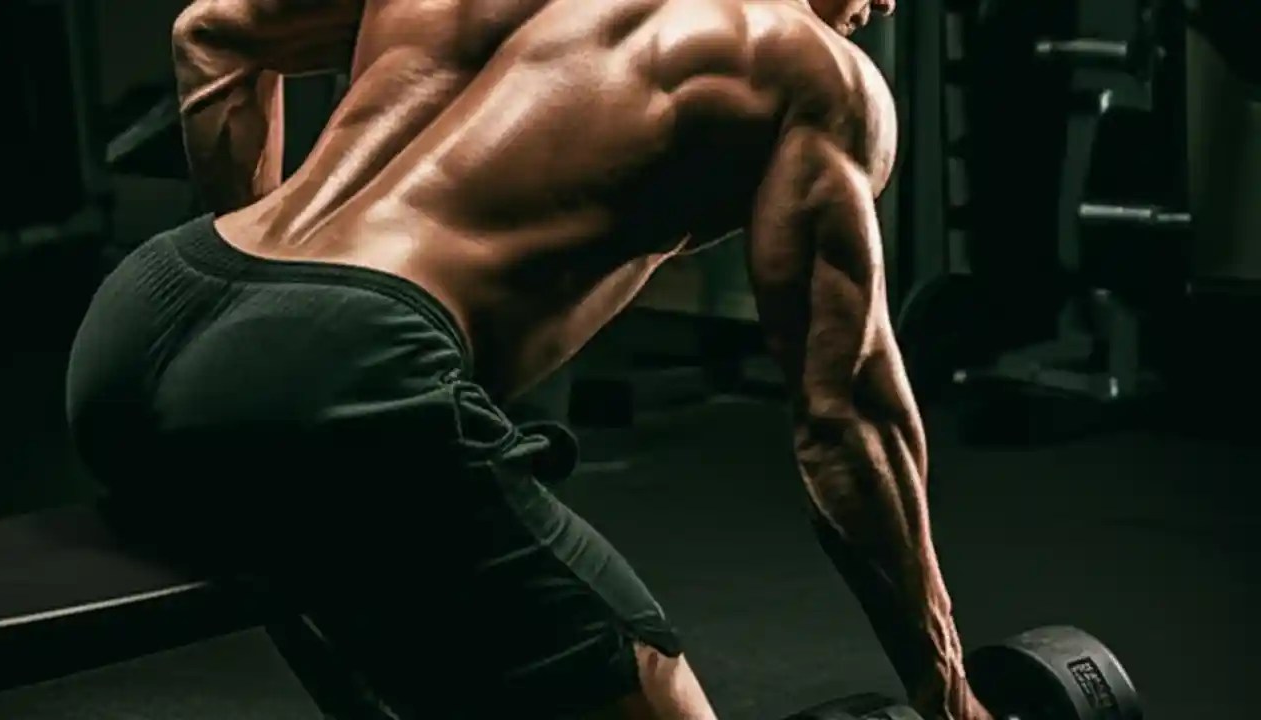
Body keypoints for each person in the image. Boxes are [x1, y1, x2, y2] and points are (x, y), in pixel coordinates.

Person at [65, 0, 993, 718]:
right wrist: (946, 686)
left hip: (144, 318)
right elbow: (848, 417)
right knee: (649, 691)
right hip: (335, 368)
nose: (891, 5)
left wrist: (253, 334)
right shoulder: (808, 71)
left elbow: (212, 34)